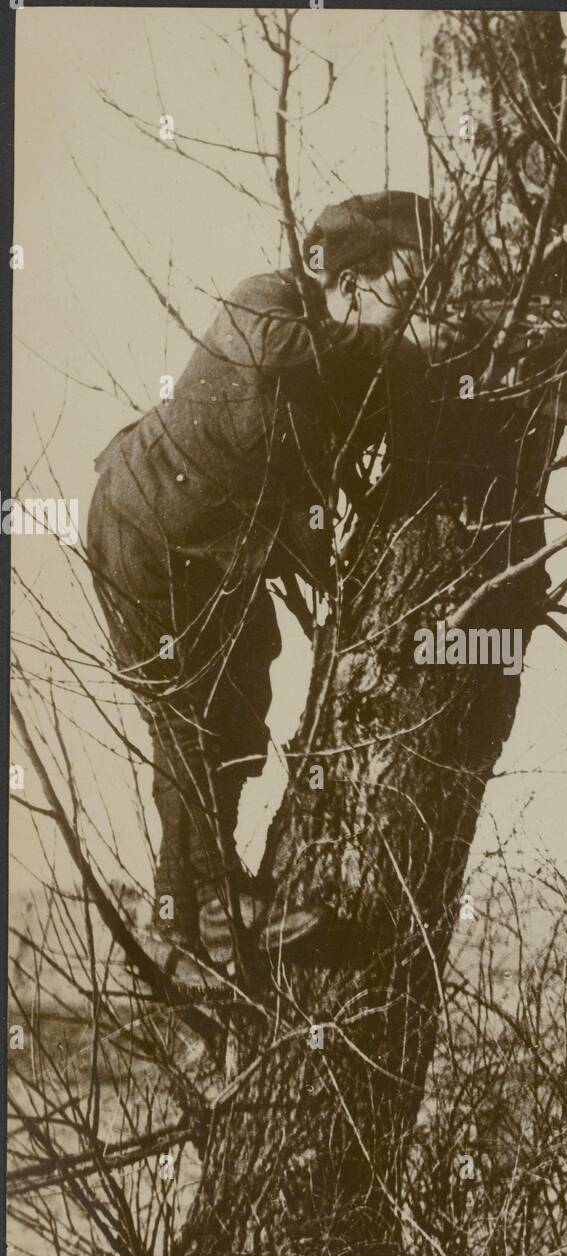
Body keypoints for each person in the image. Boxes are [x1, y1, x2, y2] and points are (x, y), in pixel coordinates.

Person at [87, 191, 453, 986]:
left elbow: (366, 454)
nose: (410, 307)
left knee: (243, 696)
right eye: (404, 286)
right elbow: (285, 350)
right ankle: (201, 918)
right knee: (186, 716)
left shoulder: (352, 372)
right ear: (352, 283)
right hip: (142, 524)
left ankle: (200, 914)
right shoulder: (270, 303)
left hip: (218, 555)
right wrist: (395, 347)